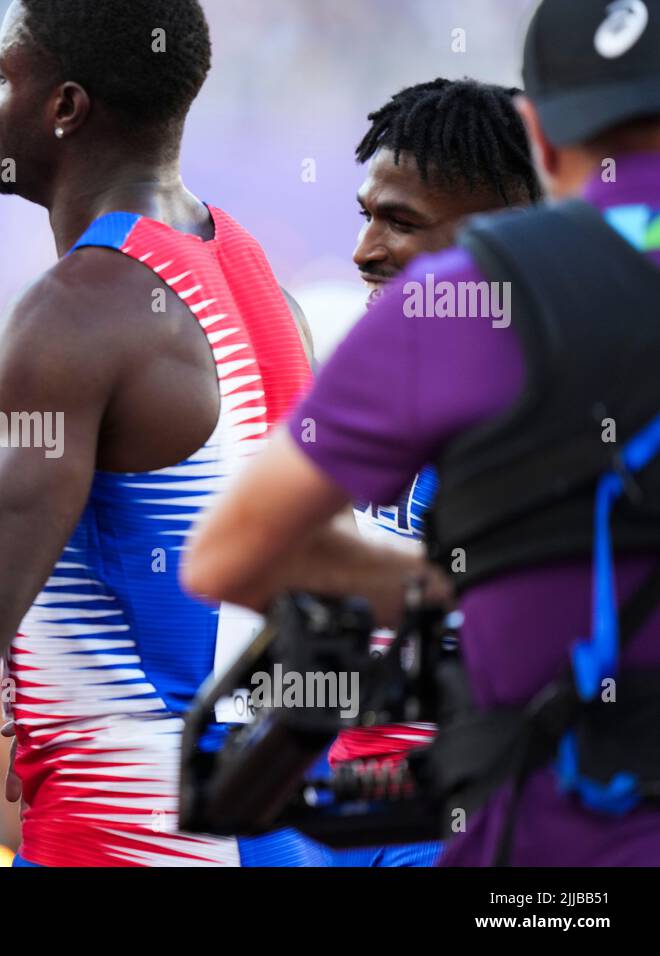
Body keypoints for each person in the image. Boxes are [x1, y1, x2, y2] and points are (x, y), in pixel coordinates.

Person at [0, 0, 326, 866]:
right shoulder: (267, 289)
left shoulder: (80, 311)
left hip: (133, 836)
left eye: (4, 76)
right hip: (275, 831)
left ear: (65, 108)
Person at [183, 0, 660, 866]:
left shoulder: (455, 304)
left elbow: (228, 558)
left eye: (400, 221)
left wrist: (478, 582)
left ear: (542, 147)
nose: (366, 250)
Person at [332, 77, 543, 868]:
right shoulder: (373, 400)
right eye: (365, 215)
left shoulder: (581, 418)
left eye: (400, 222)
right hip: (355, 821)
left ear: (505, 234)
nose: (365, 251)